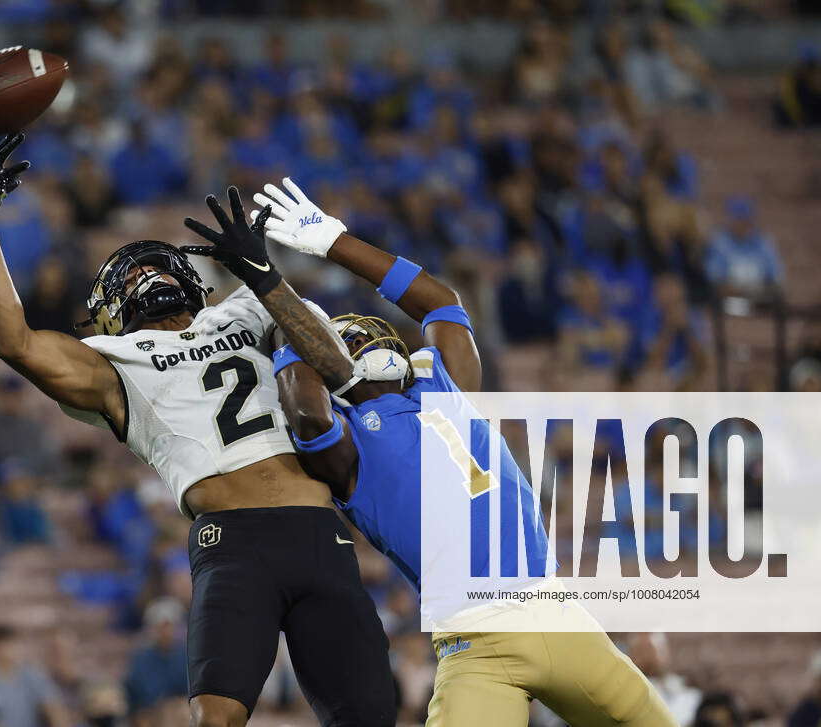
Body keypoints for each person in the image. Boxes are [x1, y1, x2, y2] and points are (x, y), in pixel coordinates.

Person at [194, 176, 677, 727]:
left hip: (560, 615)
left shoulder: (443, 385)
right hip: (475, 646)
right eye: (341, 338)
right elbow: (307, 415)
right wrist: (283, 314)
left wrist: (337, 244)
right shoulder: (348, 441)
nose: (361, 338)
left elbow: (441, 302)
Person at [0, 134, 394, 727]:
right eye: (128, 271)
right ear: (107, 314)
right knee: (215, 719)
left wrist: (265, 276)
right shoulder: (113, 361)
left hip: (319, 530)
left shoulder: (248, 304)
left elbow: (335, 366)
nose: (143, 272)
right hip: (232, 543)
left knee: (369, 717)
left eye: (153, 264)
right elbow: (12, 342)